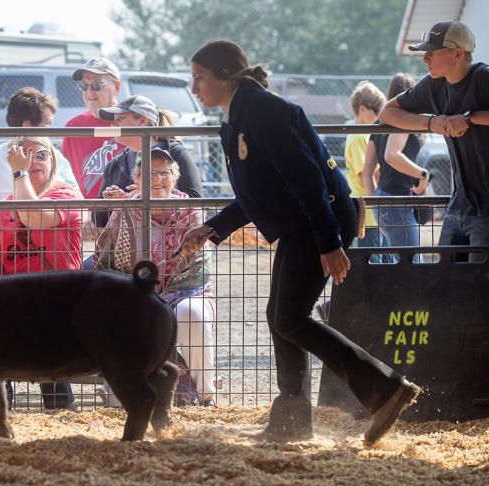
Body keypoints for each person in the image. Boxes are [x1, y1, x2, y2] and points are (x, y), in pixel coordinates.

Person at [179, 40, 420, 444]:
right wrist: (214, 227)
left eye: (199, 78)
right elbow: (263, 191)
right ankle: (291, 421)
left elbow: (308, 179)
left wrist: (329, 243)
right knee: (282, 317)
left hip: (318, 217)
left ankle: (385, 388)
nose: (194, 87)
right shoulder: (242, 113)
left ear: (227, 76)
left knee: (288, 318)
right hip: (305, 220)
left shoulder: (262, 112)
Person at [95, 148, 216, 406]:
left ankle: (206, 397)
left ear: (175, 178)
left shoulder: (190, 211)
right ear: (136, 180)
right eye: (149, 173)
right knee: (115, 316)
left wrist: (158, 304)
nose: (157, 178)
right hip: (134, 296)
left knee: (192, 314)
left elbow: (197, 268)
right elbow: (104, 262)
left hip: (183, 295)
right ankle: (120, 402)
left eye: (165, 172)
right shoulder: (123, 211)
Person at [0, 136, 82, 410]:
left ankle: (60, 410)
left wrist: (19, 171)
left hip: (58, 295)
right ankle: (0, 408)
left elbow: (33, 216)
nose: (32, 161)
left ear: (53, 161)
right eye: (25, 155)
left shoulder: (65, 195)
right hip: (15, 294)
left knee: (46, 326)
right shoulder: (5, 205)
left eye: (40, 155)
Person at [379, 21, 488, 261]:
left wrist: (471, 119)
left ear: (458, 53)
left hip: (486, 212)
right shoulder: (433, 85)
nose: (425, 59)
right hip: (458, 206)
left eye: (432, 52)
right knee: (445, 283)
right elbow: (387, 112)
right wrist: (431, 123)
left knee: (478, 289)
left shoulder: (483, 78)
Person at [93, 95, 204, 228]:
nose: (113, 124)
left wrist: (140, 198)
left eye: (120, 118)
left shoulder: (175, 153)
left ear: (143, 120)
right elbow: (98, 220)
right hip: (130, 246)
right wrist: (109, 205)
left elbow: (197, 202)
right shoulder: (114, 165)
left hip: (170, 244)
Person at [0, 87, 79, 201]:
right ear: (27, 125)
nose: (50, 129)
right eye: (47, 123)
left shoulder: (56, 156)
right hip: (9, 219)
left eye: (42, 156)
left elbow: (77, 196)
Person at [364, 73, 427, 252]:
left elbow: (367, 170)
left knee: (397, 261)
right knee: (412, 262)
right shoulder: (404, 119)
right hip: (397, 200)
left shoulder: (379, 122)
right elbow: (392, 156)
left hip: (384, 198)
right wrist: (423, 174)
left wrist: (374, 200)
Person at [61, 57, 125, 199]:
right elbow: (64, 177)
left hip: (125, 213)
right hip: (84, 213)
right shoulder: (73, 127)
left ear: (117, 87)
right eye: (84, 86)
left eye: (96, 85)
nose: (89, 92)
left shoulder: (131, 122)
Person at [345, 81, 386, 249]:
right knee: (373, 261)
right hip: (368, 214)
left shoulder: (363, 134)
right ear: (362, 109)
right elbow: (365, 175)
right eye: (377, 111)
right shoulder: (359, 137)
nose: (379, 116)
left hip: (371, 213)